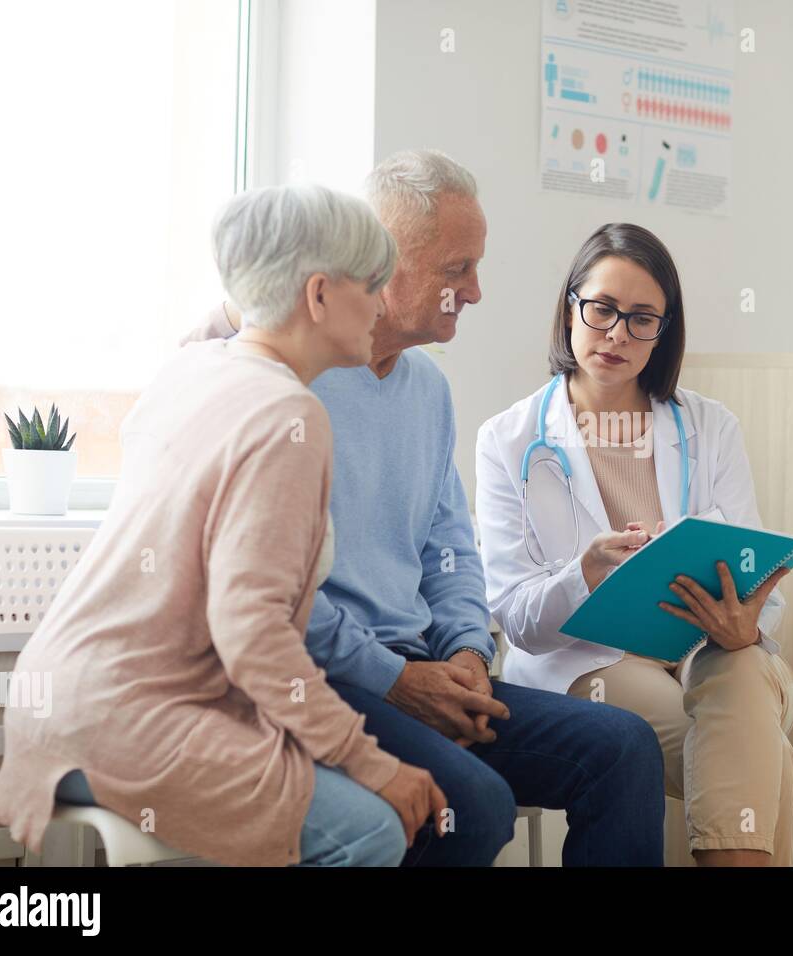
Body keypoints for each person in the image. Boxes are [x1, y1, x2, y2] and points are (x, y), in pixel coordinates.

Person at [187, 150, 665, 866]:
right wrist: (402, 681)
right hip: (334, 675)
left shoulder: (426, 391)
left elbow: (451, 550)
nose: (474, 291)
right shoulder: (282, 383)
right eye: (455, 269)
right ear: (383, 261)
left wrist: (469, 652)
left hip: (427, 667)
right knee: (471, 806)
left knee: (622, 745)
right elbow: (270, 595)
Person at [0, 184, 445, 866]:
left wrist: (268, 273)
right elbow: (251, 631)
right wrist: (370, 762)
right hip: (127, 721)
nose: (383, 303)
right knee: (370, 830)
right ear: (318, 295)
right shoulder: (287, 416)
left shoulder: (194, 369)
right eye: (373, 283)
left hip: (54, 703)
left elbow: (232, 314)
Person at [475, 222, 793, 866]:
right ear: (570, 308)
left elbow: (756, 573)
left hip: (706, 653)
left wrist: (746, 625)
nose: (618, 334)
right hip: (586, 667)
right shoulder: (508, 440)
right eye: (601, 310)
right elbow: (516, 618)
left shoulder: (710, 426)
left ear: (665, 329)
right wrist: (583, 575)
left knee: (739, 671)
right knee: (768, 757)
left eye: (642, 318)